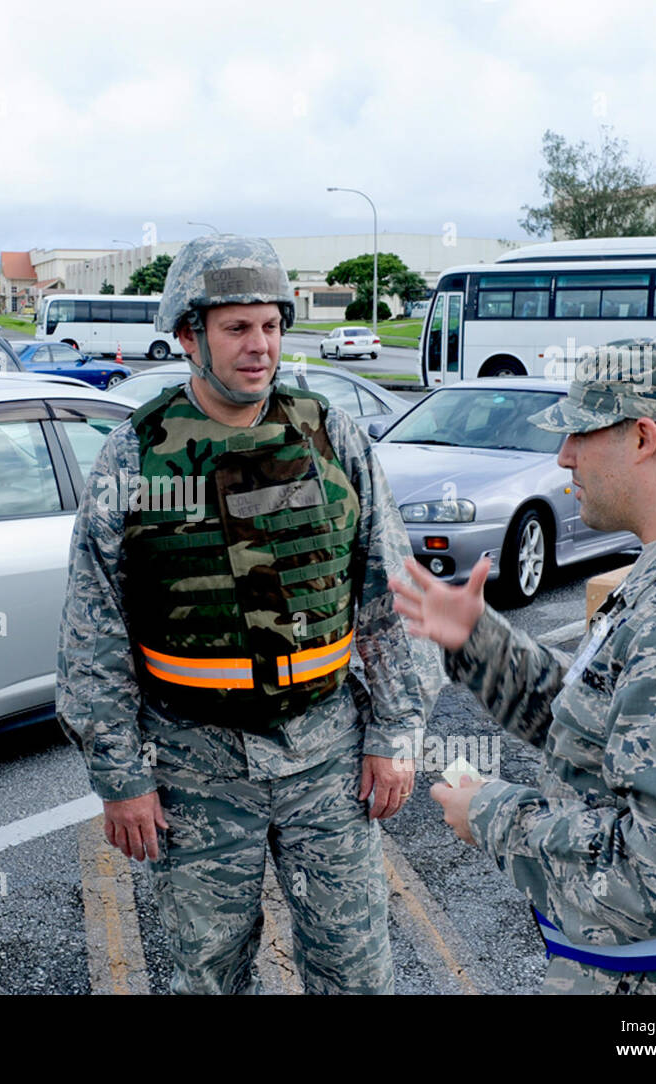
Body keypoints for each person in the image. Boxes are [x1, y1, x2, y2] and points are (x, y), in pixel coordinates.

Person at [56, 234, 434, 994]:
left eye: (270, 325)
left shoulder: (328, 433)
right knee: (207, 975)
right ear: (189, 335)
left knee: (358, 968)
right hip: (195, 767)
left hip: (328, 756)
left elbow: (391, 594)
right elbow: (93, 628)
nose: (259, 347)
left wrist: (396, 731)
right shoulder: (135, 455)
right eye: (236, 328)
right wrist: (120, 777)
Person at [391, 338, 656, 994]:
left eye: (579, 433)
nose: (562, 457)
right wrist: (479, 641)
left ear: (642, 437)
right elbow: (606, 723)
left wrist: (492, 814)